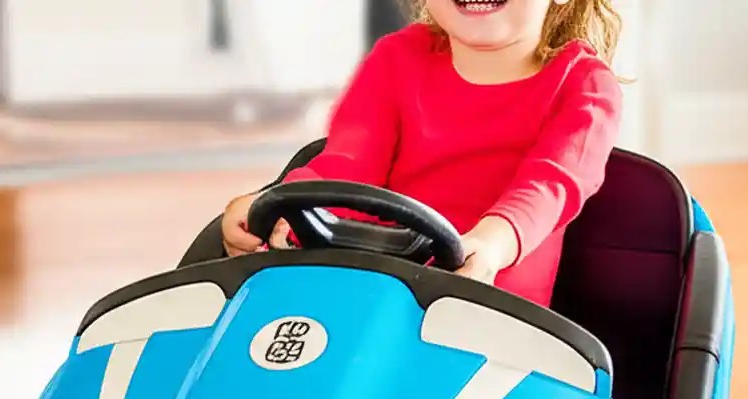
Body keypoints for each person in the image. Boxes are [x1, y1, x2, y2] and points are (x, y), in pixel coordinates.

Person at [222, 0, 623, 307]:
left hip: (490, 318)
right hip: (367, 288)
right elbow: (348, 163)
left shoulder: (585, 86)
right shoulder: (397, 58)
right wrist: (278, 204)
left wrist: (494, 242)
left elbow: (552, 184)